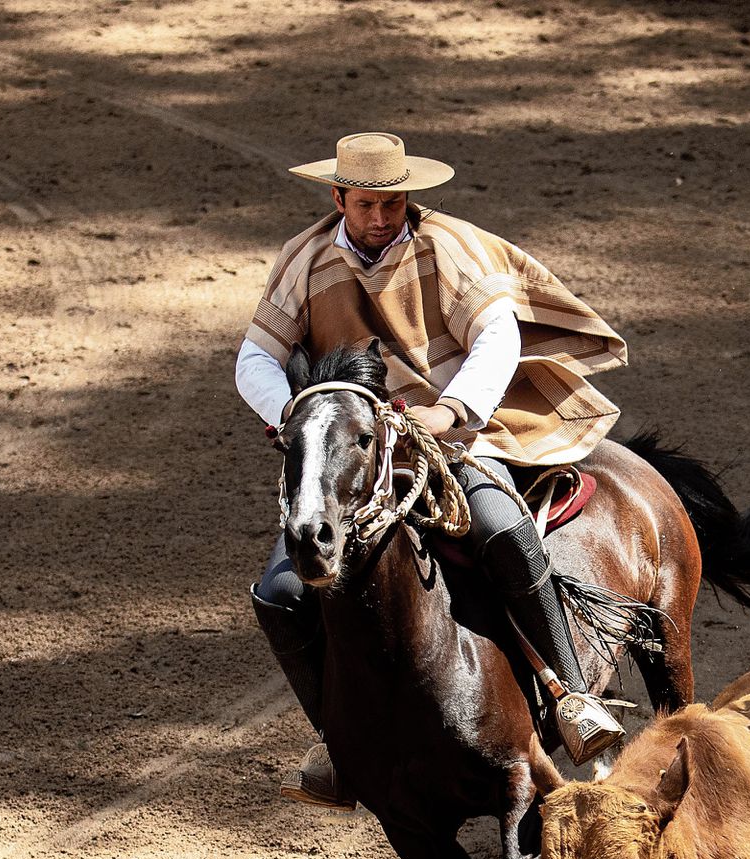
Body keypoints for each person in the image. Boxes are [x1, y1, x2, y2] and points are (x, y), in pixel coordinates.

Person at [237, 131, 628, 807]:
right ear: (339, 199)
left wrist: (451, 411)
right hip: (353, 458)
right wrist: (299, 417)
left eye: (393, 204)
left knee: (502, 527)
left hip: (450, 441)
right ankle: (335, 739)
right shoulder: (302, 260)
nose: (382, 218)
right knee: (279, 594)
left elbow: (498, 334)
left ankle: (573, 696)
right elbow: (254, 359)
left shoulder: (445, 247)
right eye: (366, 205)